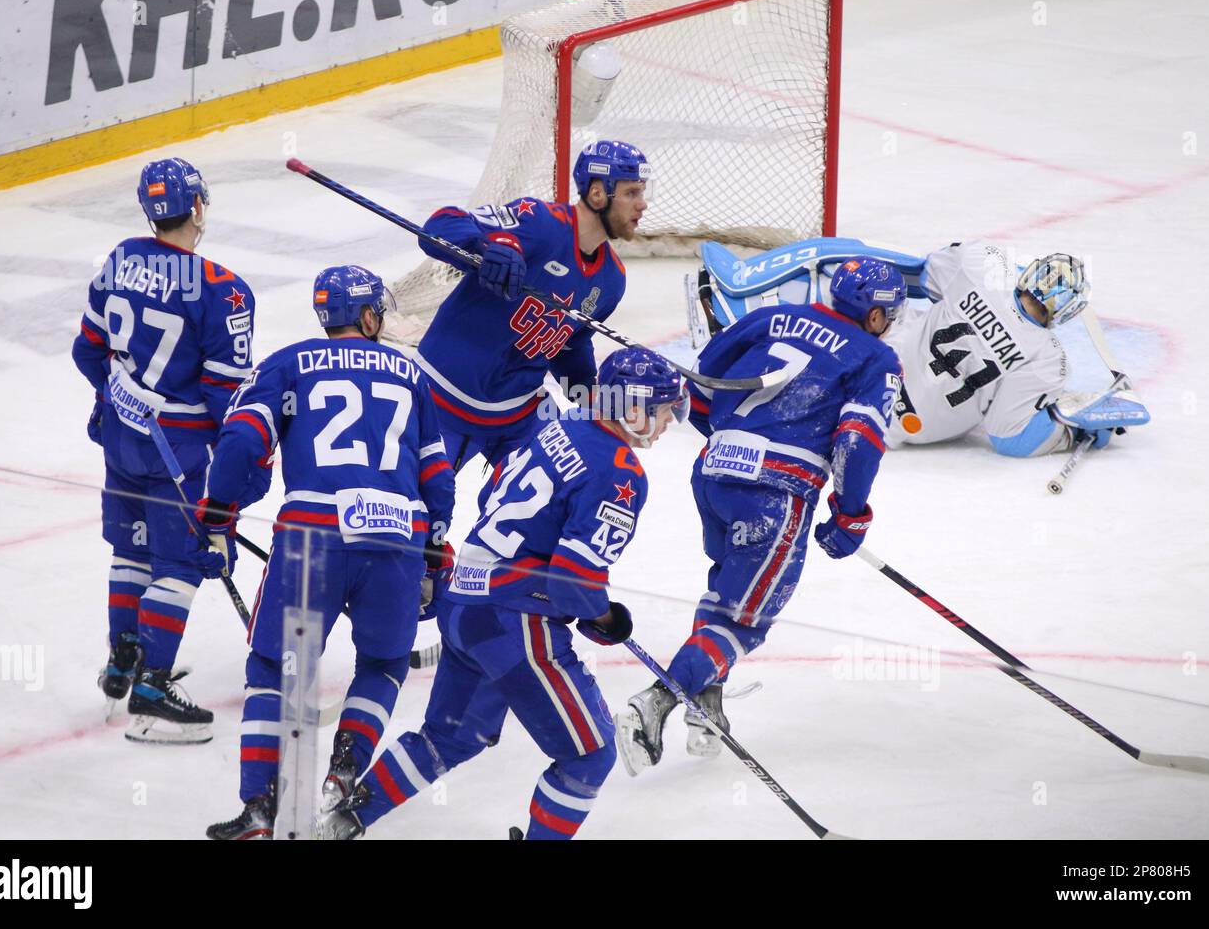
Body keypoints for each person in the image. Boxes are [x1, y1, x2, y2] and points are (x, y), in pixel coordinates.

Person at [316, 347, 686, 840]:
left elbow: (493, 498)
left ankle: (342, 820)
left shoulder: (558, 427)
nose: (667, 425)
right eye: (664, 412)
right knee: (590, 754)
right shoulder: (621, 471)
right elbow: (573, 583)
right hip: (515, 623)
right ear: (635, 409)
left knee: (450, 736)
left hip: (465, 602)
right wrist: (606, 617)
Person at [617, 258, 905, 773]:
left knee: (727, 590)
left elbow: (702, 388)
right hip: (775, 491)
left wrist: (733, 445)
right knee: (743, 618)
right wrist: (851, 514)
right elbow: (857, 440)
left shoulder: (768, 318)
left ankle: (706, 708)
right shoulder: (875, 357)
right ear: (878, 316)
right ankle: (653, 704)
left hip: (713, 473)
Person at [201, 266, 456, 840]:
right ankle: (344, 772)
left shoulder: (287, 363)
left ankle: (260, 810)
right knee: (384, 663)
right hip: (396, 541)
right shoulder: (412, 375)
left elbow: (241, 441)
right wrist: (434, 550)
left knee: (273, 666)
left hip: (311, 540)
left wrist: (219, 512)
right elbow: (438, 476)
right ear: (369, 316)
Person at [71, 157, 255, 743]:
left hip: (122, 439)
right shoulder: (224, 291)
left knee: (132, 551)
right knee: (177, 565)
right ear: (197, 206)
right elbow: (226, 400)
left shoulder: (121, 259)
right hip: (180, 452)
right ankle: (152, 689)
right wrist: (244, 474)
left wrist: (120, 395)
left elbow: (87, 351)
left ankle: (123, 660)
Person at [686, 237, 1146, 456]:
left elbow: (923, 274)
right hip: (907, 426)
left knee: (873, 285)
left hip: (881, 362)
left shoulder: (982, 265)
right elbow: (1010, 437)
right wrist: (1075, 432)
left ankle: (745, 304)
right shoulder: (1049, 361)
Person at [413, 139, 651, 472]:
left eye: (642, 193)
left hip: (520, 412)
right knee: (416, 513)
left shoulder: (611, 280)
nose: (642, 205)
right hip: (442, 398)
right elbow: (438, 227)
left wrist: (593, 398)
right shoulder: (539, 222)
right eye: (631, 193)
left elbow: (569, 348)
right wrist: (486, 246)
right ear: (597, 194)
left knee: (577, 480)